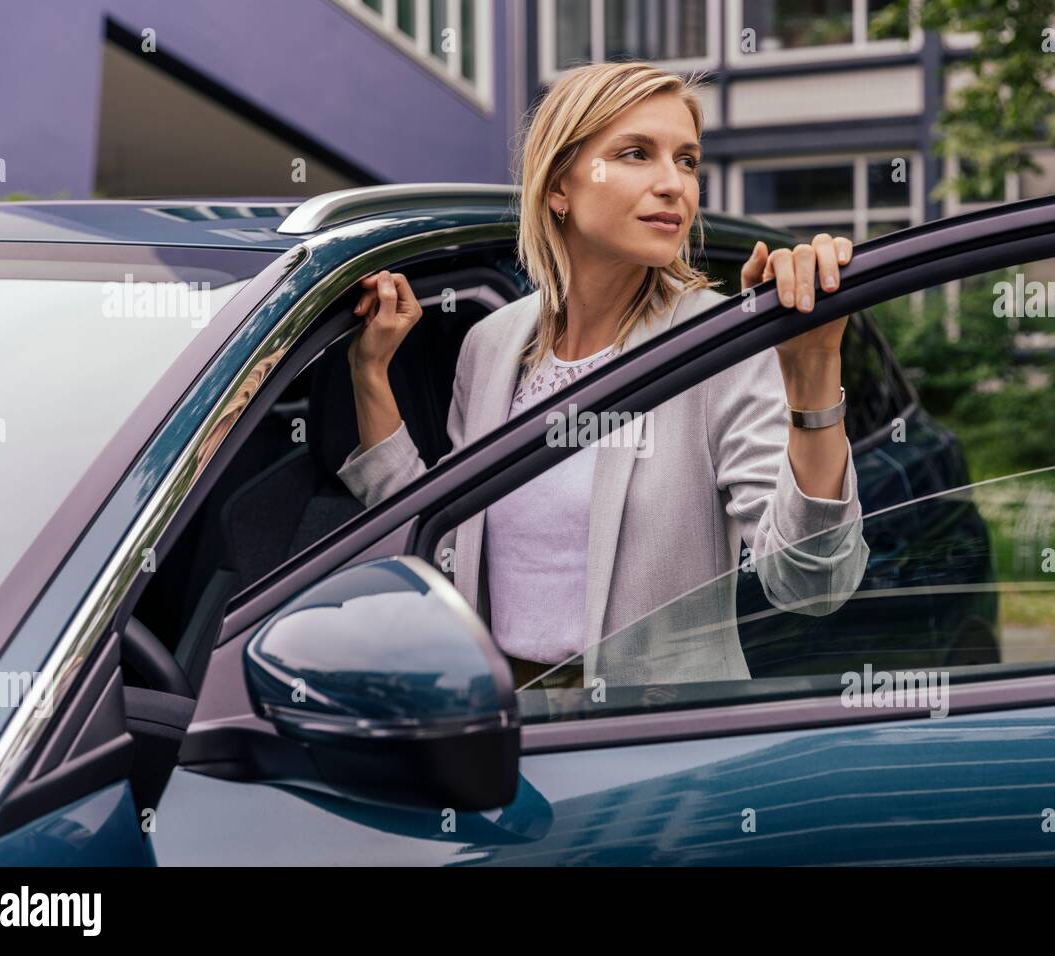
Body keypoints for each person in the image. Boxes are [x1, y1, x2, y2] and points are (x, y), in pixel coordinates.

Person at [338, 61, 869, 689]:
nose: (674, 184)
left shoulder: (719, 343)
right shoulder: (491, 344)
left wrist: (811, 374)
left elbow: (811, 583)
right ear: (560, 186)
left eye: (688, 160)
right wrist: (370, 372)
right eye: (637, 154)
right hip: (496, 722)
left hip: (648, 751)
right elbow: (442, 542)